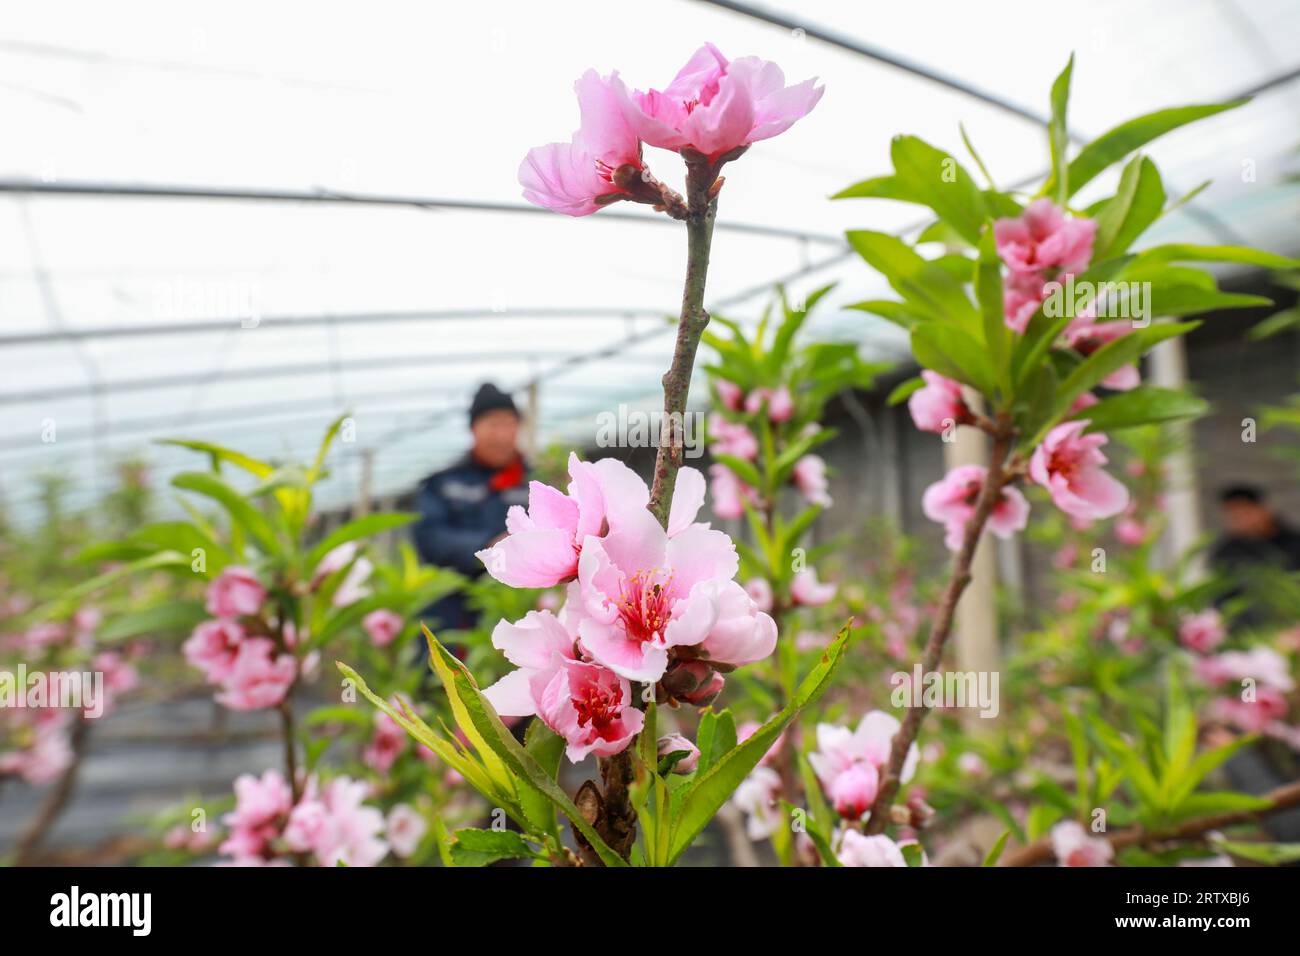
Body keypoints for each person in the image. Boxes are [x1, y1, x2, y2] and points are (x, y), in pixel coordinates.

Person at [412, 383, 529, 634]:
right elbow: (429, 537)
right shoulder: (444, 483)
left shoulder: (534, 482)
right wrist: (490, 546)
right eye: (493, 424)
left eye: (509, 424)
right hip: (453, 611)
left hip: (518, 610)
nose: (502, 435)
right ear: (473, 428)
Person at [1210, 484, 1300, 627]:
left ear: (1263, 508)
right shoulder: (1226, 553)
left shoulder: (1295, 542)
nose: (1239, 520)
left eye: (1244, 512)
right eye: (1232, 515)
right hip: (1253, 631)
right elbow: (1222, 598)